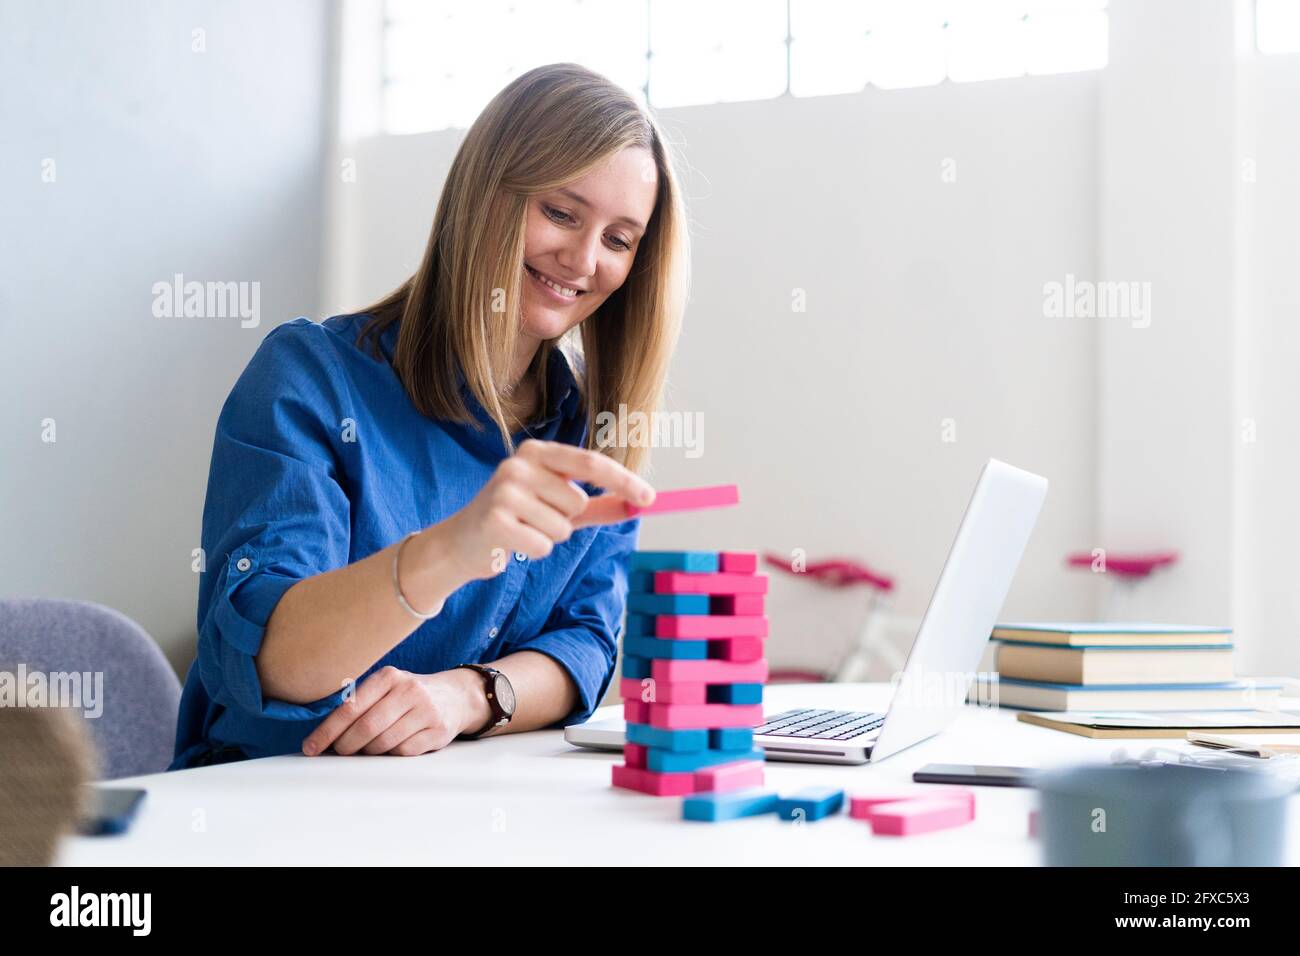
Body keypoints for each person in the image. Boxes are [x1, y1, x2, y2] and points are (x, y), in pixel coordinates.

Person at [170, 63, 690, 769]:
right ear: (487, 196)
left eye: (620, 240)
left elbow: (586, 646)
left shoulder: (589, 427)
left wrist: (467, 697)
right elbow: (271, 658)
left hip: (456, 811)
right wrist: (452, 548)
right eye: (562, 213)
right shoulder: (309, 379)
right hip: (272, 803)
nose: (584, 258)